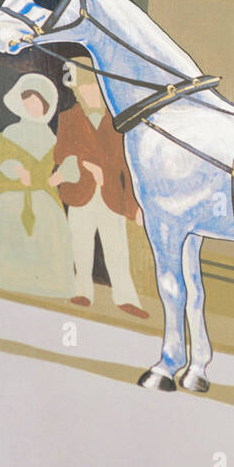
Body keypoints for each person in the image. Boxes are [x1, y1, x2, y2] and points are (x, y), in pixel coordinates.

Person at [53, 56, 148, 319]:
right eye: (82, 88)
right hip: (80, 193)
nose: (87, 92)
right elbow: (61, 153)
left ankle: (126, 298)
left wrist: (135, 205)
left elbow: (126, 167)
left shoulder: (118, 123)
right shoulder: (68, 117)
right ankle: (82, 290)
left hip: (111, 196)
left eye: (92, 86)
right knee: (79, 244)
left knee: (117, 248)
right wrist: (86, 165)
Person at [0, 74, 76, 298]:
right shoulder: (11, 132)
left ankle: (44, 282)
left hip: (42, 193)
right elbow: (0, 159)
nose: (32, 106)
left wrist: (58, 177)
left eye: (37, 102)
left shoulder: (51, 138)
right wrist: (16, 170)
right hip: (9, 190)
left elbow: (60, 167)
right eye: (28, 101)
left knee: (50, 225)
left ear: (46, 107)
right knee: (3, 216)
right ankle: (3, 274)